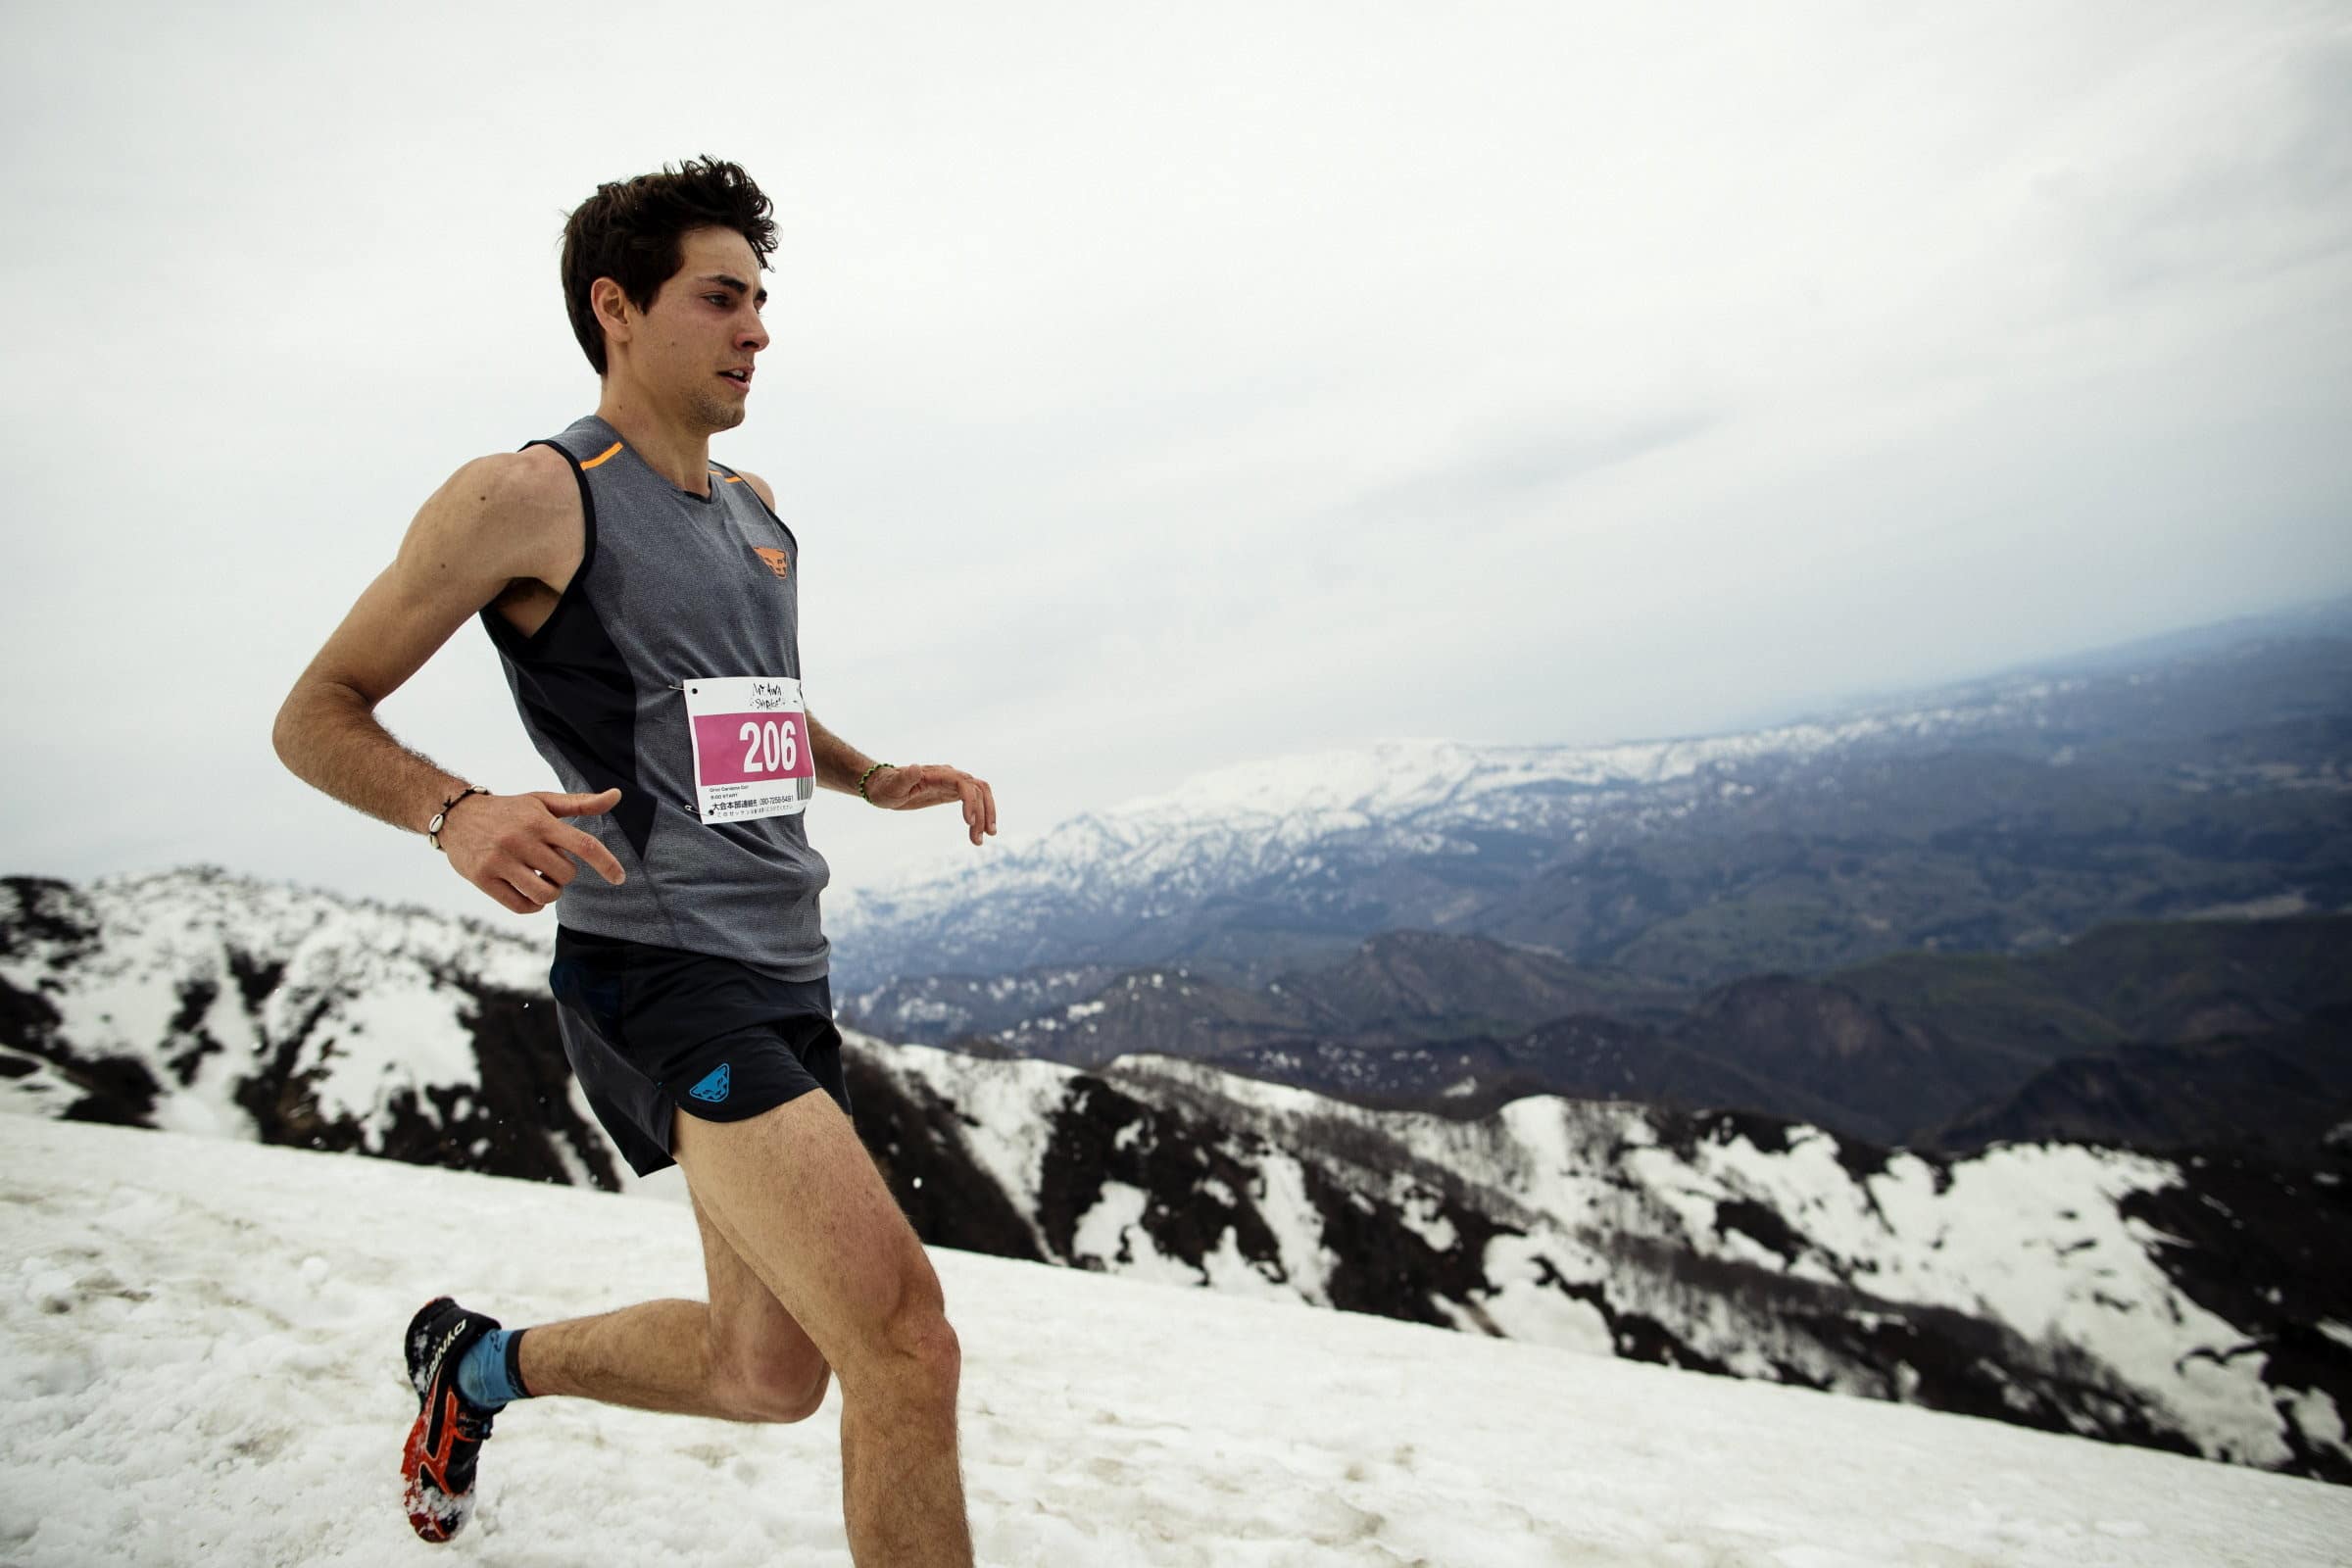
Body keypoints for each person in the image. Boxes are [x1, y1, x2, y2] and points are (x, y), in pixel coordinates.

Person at [271, 158, 991, 1564]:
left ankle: (472, 1369)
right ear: (617, 308)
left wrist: (866, 775)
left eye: (763, 300)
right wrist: (457, 808)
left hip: (788, 969)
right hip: (657, 967)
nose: (758, 330)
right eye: (722, 298)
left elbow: (734, 704)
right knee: (907, 1345)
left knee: (767, 1375)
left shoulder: (753, 508)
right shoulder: (528, 497)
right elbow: (315, 715)